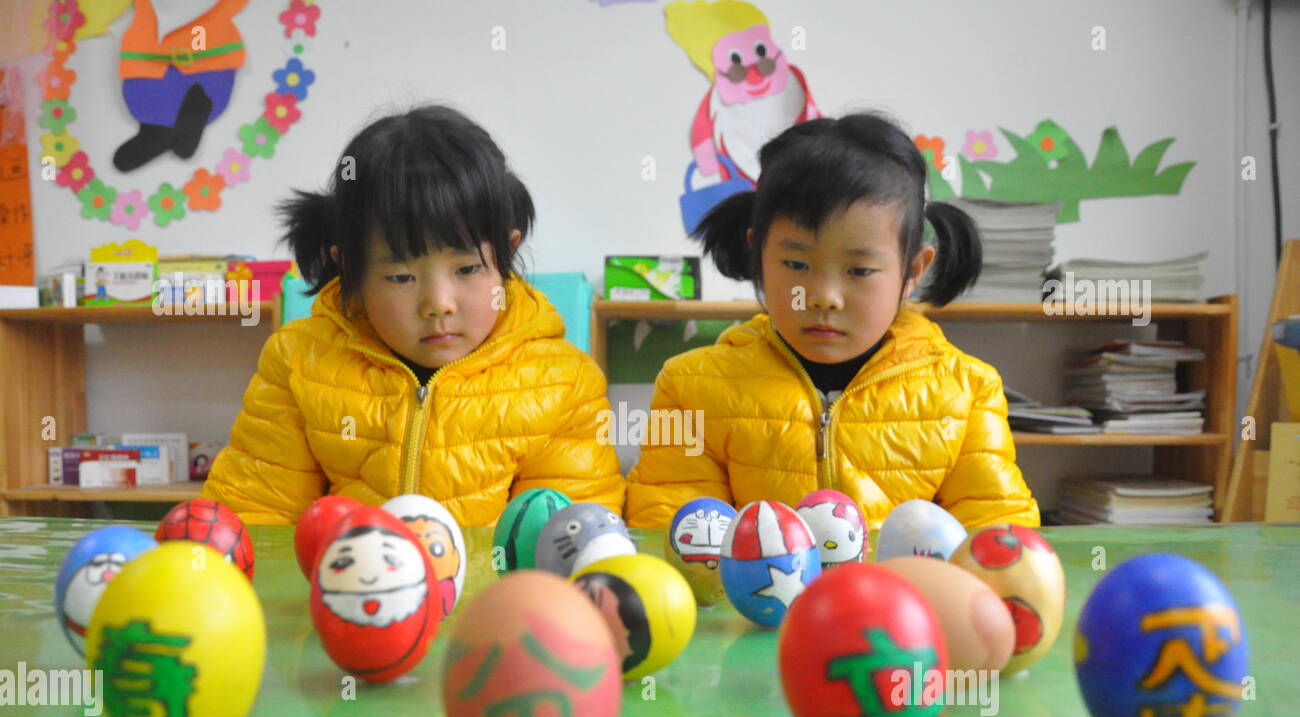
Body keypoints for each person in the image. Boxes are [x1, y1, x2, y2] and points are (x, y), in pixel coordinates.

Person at [203, 104, 624, 525]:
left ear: (507, 253)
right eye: (402, 276)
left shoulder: (563, 383)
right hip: (348, 588)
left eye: (467, 269)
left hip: (495, 592)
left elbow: (570, 542)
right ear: (351, 269)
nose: (438, 303)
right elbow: (256, 520)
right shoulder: (298, 364)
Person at [625, 111, 1038, 529]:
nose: (824, 297)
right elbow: (675, 535)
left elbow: (999, 541)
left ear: (913, 271)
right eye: (795, 263)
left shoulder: (966, 393)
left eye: (859, 271)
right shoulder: (693, 390)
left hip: (905, 594)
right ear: (758, 257)